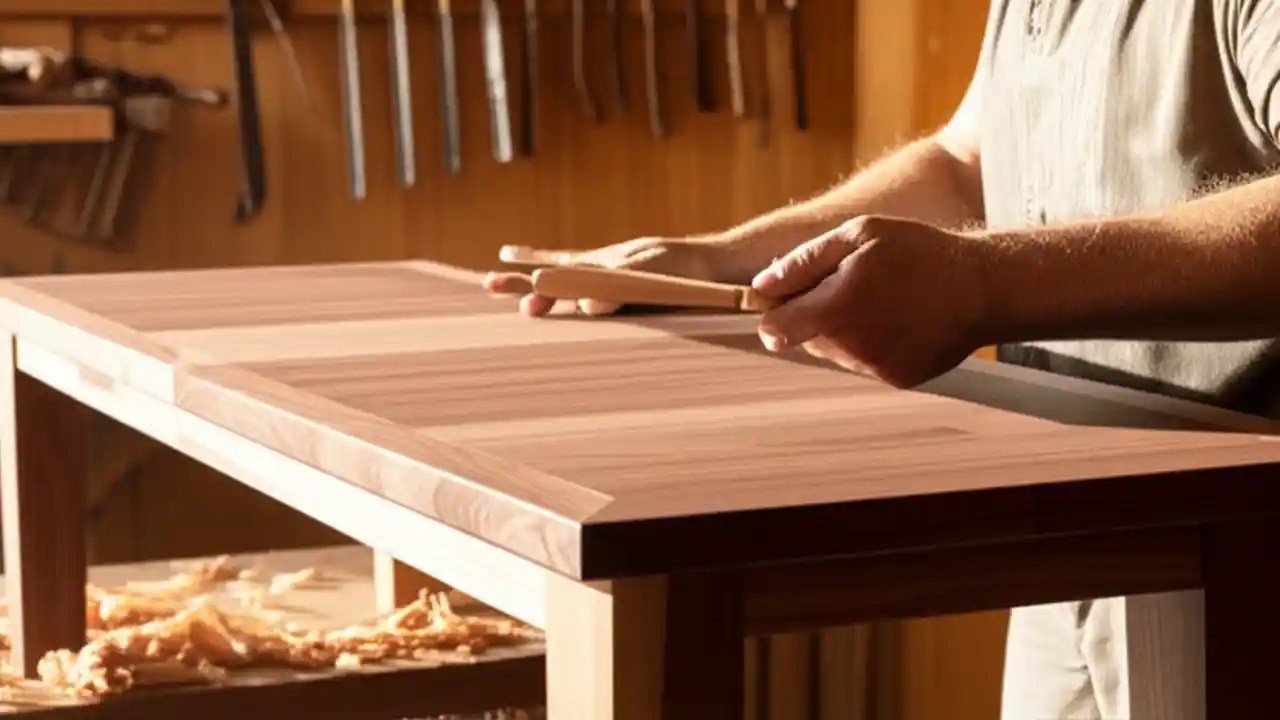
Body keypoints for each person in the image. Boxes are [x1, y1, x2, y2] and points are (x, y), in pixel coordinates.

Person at [486, 1, 1280, 716]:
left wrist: (982, 284)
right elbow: (968, 163)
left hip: (1241, 541)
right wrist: (722, 259)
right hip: (1074, 539)